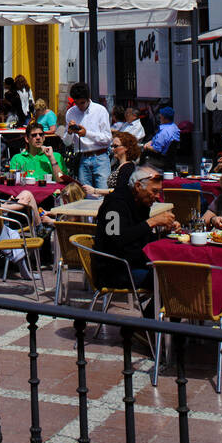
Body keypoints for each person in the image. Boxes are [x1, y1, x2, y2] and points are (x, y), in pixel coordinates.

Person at [92, 165, 178, 297]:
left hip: (136, 263)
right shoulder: (114, 203)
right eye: (154, 191)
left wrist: (166, 233)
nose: (157, 196)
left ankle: (153, 310)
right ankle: (153, 311)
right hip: (114, 270)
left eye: (159, 192)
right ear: (138, 186)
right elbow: (115, 241)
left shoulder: (142, 203)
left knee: (179, 275)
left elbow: (142, 238)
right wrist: (151, 222)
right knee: (171, 282)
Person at [62, 82, 113, 190]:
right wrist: (70, 132)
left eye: (82, 103)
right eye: (76, 103)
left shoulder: (100, 110)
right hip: (83, 157)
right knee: (85, 193)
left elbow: (108, 139)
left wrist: (87, 134)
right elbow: (67, 142)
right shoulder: (71, 112)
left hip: (100, 157)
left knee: (103, 191)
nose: (80, 106)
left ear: (88, 98)